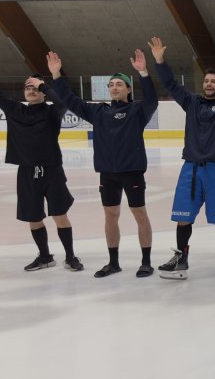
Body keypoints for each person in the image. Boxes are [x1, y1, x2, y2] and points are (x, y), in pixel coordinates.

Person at [48, 49, 158, 278]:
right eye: (112, 85)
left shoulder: (138, 110)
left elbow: (152, 100)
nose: (115, 87)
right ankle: (113, 262)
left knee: (139, 213)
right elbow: (71, 100)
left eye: (120, 84)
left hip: (132, 171)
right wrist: (57, 76)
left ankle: (146, 261)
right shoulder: (98, 111)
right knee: (110, 214)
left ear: (128, 89)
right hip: (107, 173)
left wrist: (144, 73)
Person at [152, 36, 215, 279]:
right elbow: (171, 85)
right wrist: (160, 61)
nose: (208, 84)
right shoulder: (192, 102)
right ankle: (181, 258)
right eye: (206, 80)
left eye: (214, 81)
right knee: (183, 217)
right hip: (192, 169)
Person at [0, 52, 81, 272]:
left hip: (52, 170)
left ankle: (71, 256)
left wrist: (45, 84)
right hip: (26, 172)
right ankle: (45, 257)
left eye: (35, 87)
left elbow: (64, 99)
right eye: (28, 87)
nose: (32, 90)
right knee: (33, 217)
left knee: (59, 215)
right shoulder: (15, 110)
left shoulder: (53, 112)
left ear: (43, 92)